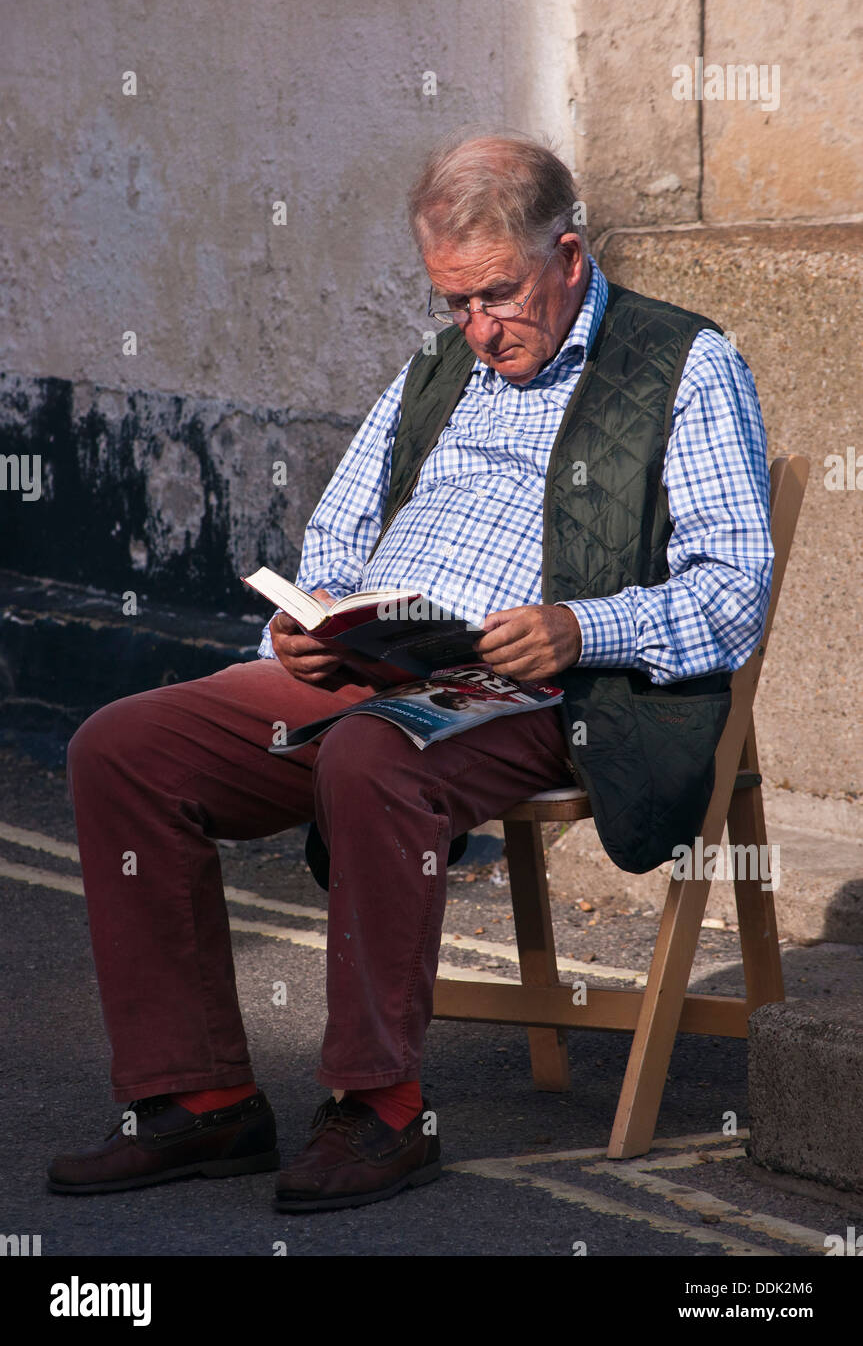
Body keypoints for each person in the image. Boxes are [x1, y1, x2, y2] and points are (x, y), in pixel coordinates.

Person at [48, 131, 773, 1213]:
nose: (478, 329)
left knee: (374, 755)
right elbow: (338, 544)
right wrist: (303, 631)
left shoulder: (684, 362)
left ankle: (380, 1108)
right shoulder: (439, 368)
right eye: (452, 303)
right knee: (122, 748)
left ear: (567, 256)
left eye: (497, 295)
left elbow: (731, 588)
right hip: (376, 661)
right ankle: (199, 1099)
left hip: (539, 682)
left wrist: (581, 628)